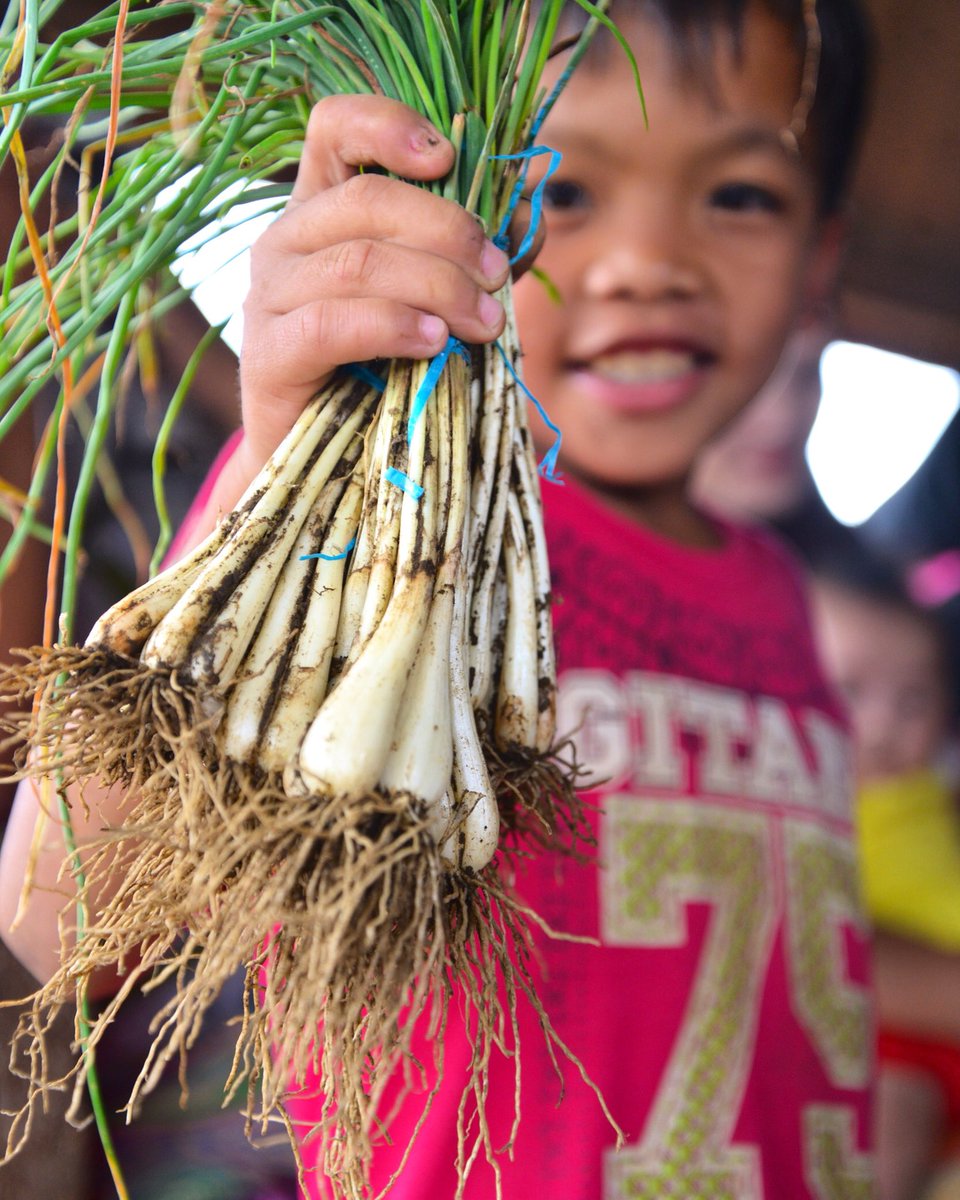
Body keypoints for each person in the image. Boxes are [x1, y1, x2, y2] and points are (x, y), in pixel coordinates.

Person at [1, 1, 874, 1197]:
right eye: (561, 192)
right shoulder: (375, 512)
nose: (649, 263)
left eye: (739, 196)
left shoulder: (782, 596)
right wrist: (282, 446)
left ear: (823, 256)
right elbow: (64, 923)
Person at [811, 559, 960, 1200]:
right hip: (878, 1036)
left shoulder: (936, 787)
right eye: (849, 690)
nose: (881, 728)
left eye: (914, 700)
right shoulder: (811, 795)